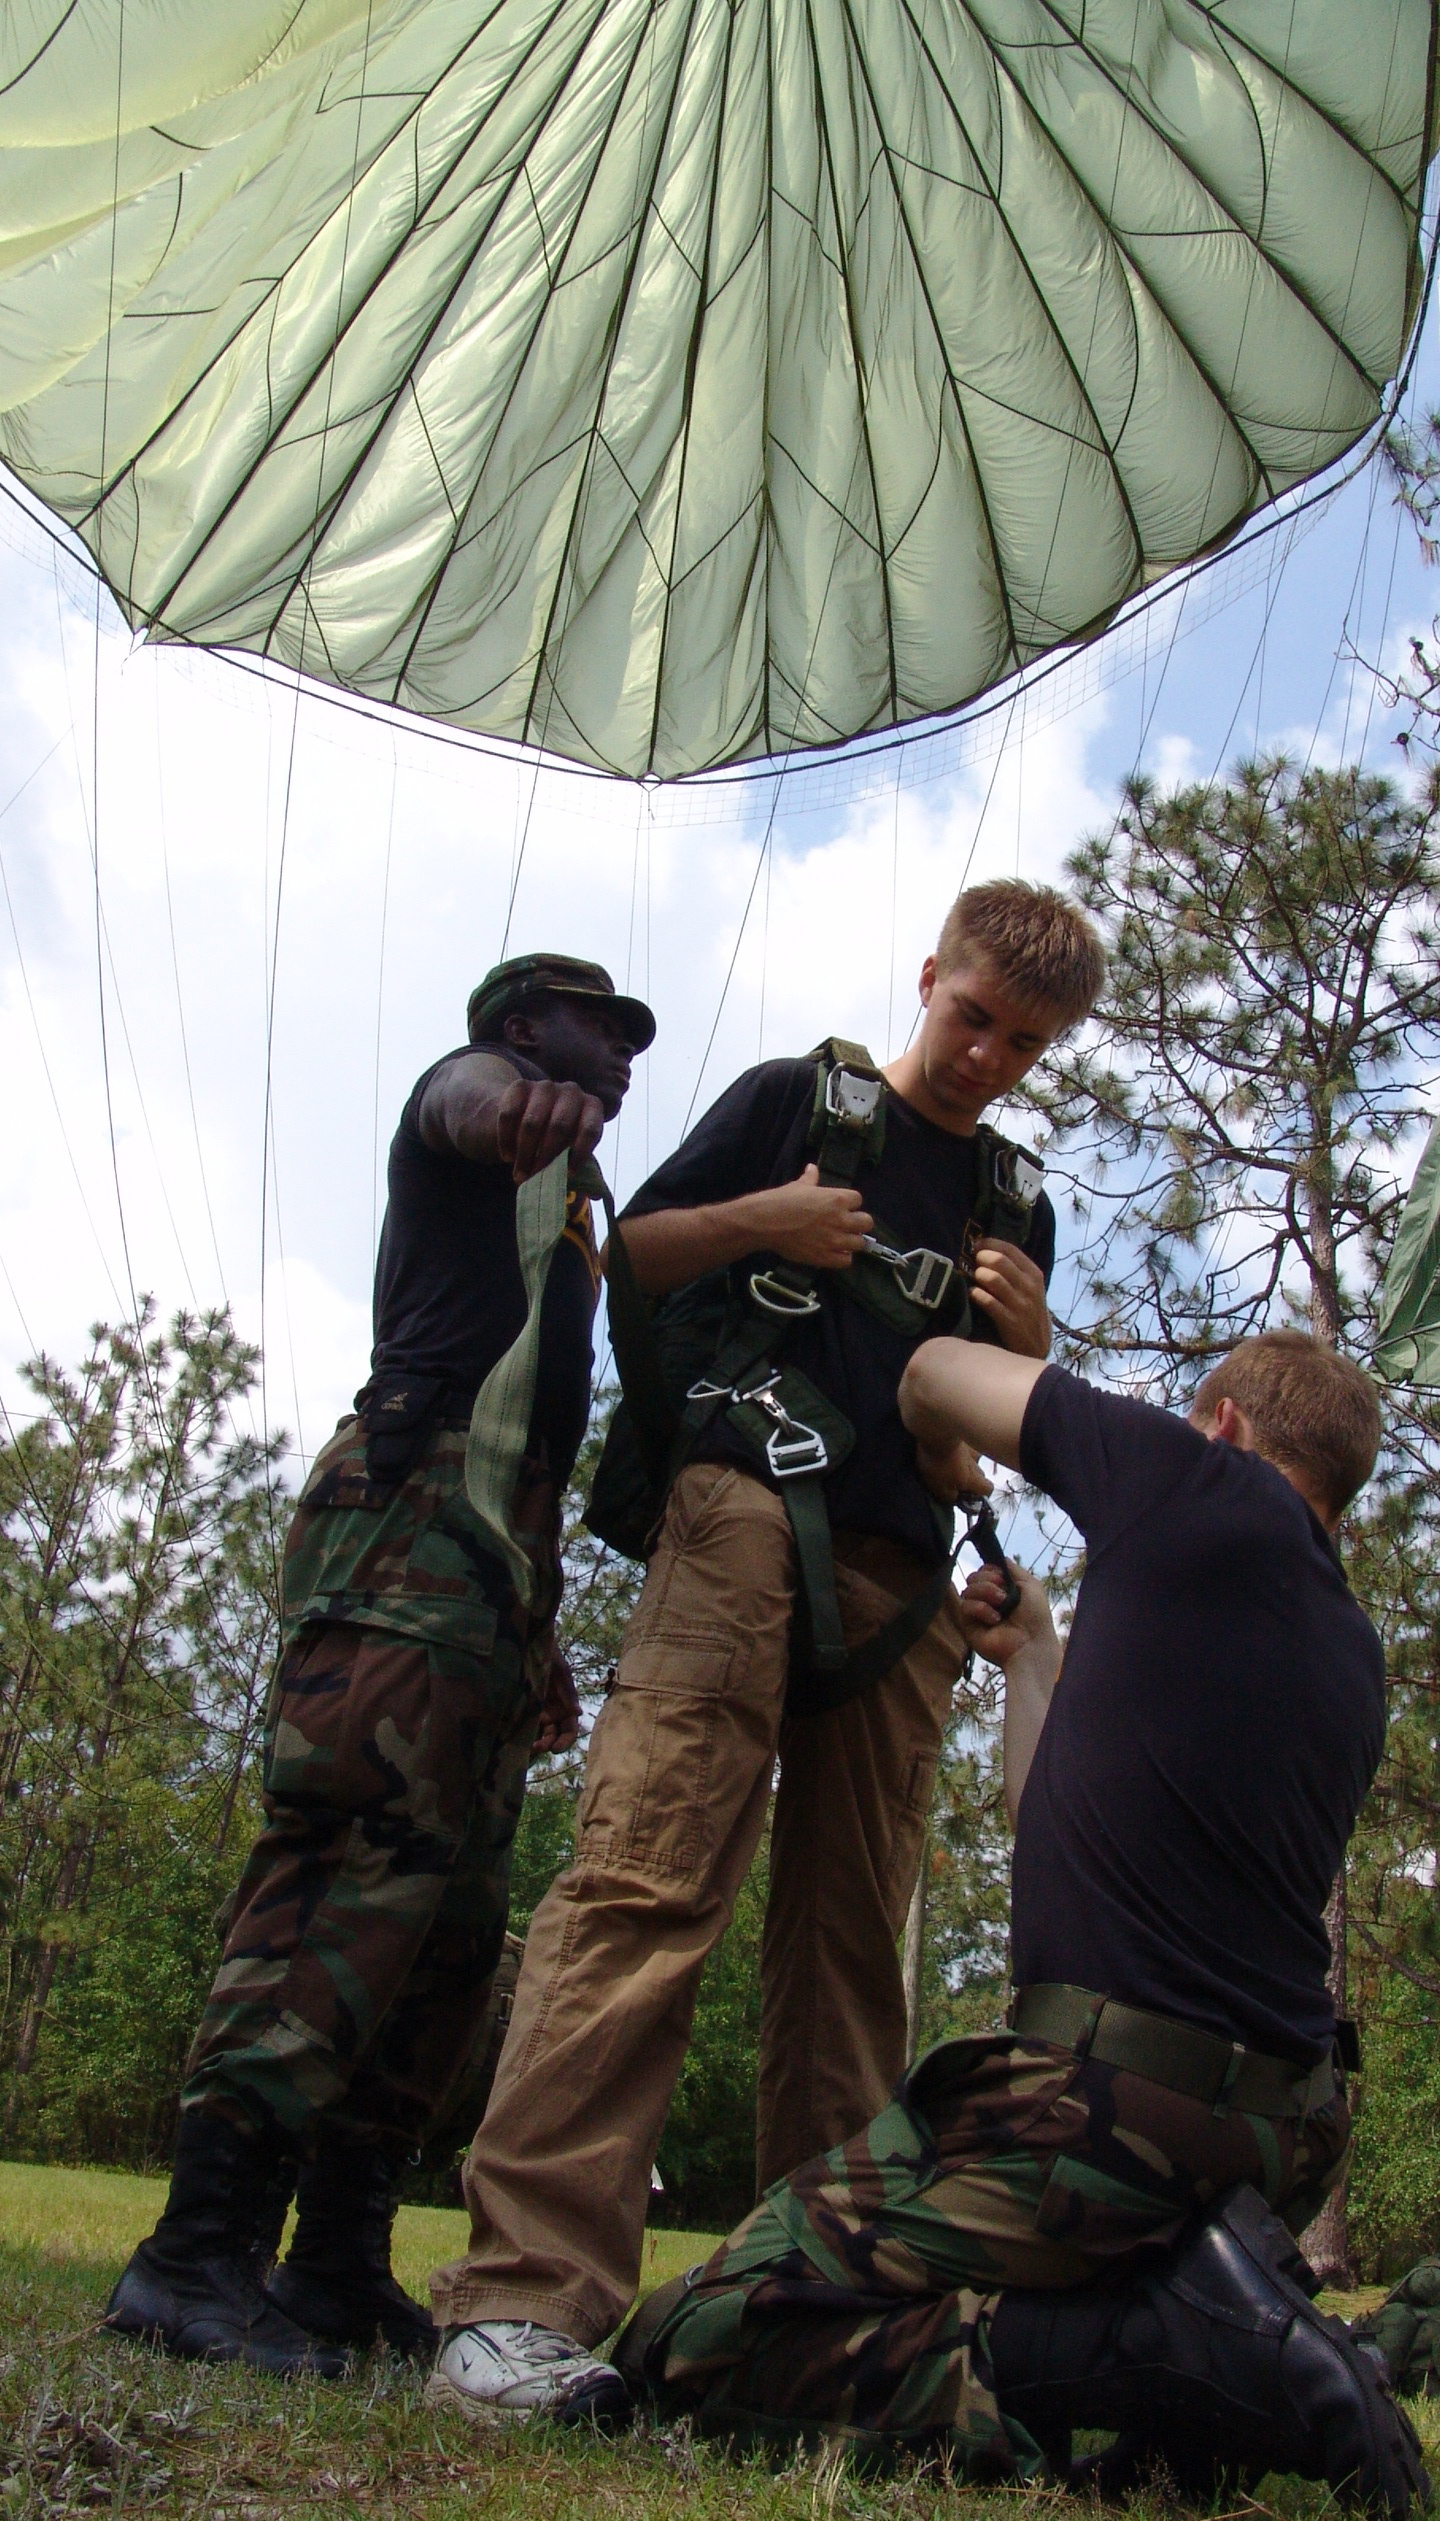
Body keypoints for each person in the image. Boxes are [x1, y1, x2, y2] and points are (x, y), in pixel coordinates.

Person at [425, 883, 1105, 2423]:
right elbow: (641, 1252)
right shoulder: (797, 1100)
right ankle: (521, 2308)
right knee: (647, 1881)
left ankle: (810, 2320)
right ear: (929, 976)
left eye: (1026, 1042)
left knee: (854, 1948)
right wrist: (773, 1222)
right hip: (739, 1520)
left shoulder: (1016, 1206)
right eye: (974, 1016)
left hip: (903, 1585)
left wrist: (1031, 1355)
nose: (990, 1055)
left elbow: (964, 1433)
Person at [613, 1330, 1432, 2521]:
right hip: (1274, 2134)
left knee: (694, 2337)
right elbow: (1054, 1833)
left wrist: (946, 1456)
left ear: (1226, 1426)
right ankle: (1201, 2362)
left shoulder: (1198, 1481)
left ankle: (1169, 2353)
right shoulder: (1346, 1651)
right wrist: (1037, 1655)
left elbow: (930, 1366)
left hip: (1109, 2117)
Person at [104, 954, 654, 2379]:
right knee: (345, 1879)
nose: (623, 1062)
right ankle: (192, 2254)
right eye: (600, 1034)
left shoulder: (573, 1210)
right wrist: (519, 1107)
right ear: (525, 1027)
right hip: (401, 1537)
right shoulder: (473, 1101)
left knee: (451, 1936)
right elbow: (461, 1106)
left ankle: (332, 2270)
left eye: (630, 1049)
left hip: (487, 1575)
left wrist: (532, 1629)